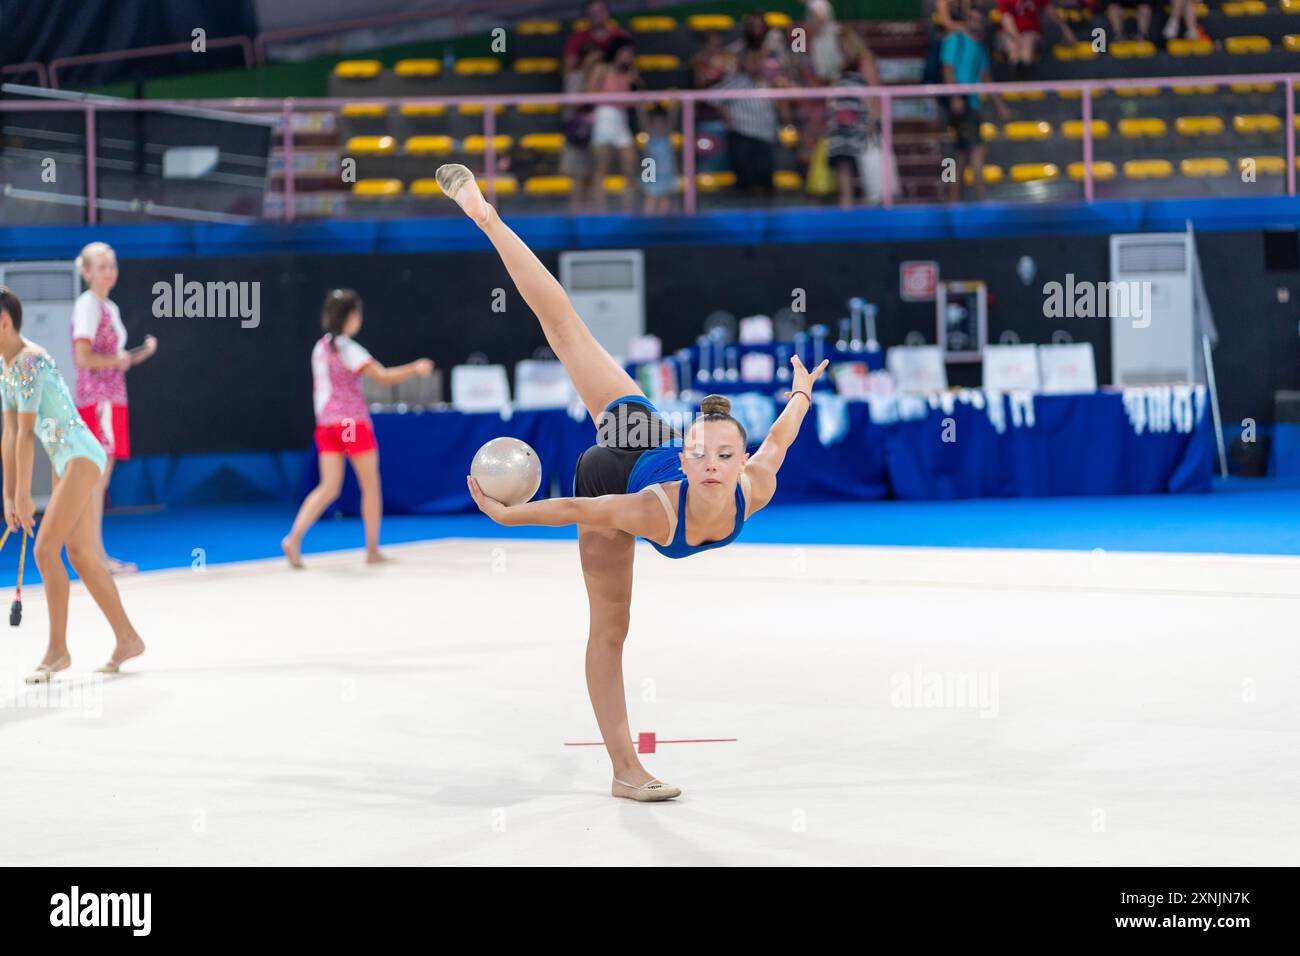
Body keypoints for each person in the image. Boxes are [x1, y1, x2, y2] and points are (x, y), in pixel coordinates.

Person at [434, 162, 829, 802]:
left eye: (722, 457)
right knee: (611, 628)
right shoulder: (654, 510)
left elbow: (779, 440)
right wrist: (509, 520)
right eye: (700, 452)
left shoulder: (753, 488)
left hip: (646, 447)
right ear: (690, 450)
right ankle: (489, 218)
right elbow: (569, 509)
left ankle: (489, 219)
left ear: (736, 465)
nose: (707, 465)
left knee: (571, 341)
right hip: (617, 464)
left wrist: (802, 392)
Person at [0, 286, 145, 682]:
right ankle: (127, 638)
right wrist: (9, 494)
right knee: (79, 554)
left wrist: (27, 495)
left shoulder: (29, 362)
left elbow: (28, 435)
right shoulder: (5, 366)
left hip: (81, 454)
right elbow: (10, 433)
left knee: (46, 549)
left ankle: (58, 651)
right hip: (67, 459)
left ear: (4, 321)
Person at [281, 289, 433, 568]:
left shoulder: (320, 347)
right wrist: (416, 368)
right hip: (351, 424)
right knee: (370, 484)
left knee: (328, 487)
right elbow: (384, 377)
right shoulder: (350, 349)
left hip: (326, 425)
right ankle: (372, 550)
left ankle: (294, 538)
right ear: (351, 316)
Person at [72, 241, 157, 575]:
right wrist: (117, 360)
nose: (110, 271)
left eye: (112, 265)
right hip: (99, 400)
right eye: (102, 265)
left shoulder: (108, 307)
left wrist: (135, 356)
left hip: (111, 397)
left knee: (100, 479)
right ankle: (93, 556)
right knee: (95, 478)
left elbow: (112, 360)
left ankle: (95, 553)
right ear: (87, 271)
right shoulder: (88, 306)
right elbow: (83, 357)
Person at [941, 10, 1010, 202]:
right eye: (973, 20)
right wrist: (955, 97)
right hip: (961, 104)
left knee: (961, 153)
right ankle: (981, 199)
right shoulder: (956, 40)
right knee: (977, 150)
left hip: (972, 104)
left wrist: (1000, 105)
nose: (977, 25)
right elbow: (948, 69)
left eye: (980, 21)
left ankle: (953, 200)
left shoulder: (979, 47)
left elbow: (986, 77)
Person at [711, 50, 788, 198]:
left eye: (757, 60)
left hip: (765, 137)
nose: (755, 64)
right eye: (751, 60)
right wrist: (728, 117)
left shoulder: (767, 83)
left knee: (766, 184)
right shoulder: (737, 82)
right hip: (743, 136)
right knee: (747, 185)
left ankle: (767, 218)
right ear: (744, 63)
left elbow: (779, 106)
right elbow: (713, 97)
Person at [587, 35, 641, 213]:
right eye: (626, 52)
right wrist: (612, 95)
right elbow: (589, 93)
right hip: (605, 117)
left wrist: (634, 84)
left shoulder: (630, 72)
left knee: (630, 165)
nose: (629, 56)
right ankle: (600, 210)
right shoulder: (602, 68)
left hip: (622, 118)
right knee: (601, 167)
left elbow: (637, 100)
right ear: (617, 52)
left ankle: (628, 209)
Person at [997, 0, 1077, 74]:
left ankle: (1025, 69)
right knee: (1012, 45)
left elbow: (1051, 12)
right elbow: (1007, 19)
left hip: (1032, 34)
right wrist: (1017, 39)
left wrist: (1066, 31)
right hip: (1010, 34)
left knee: (1028, 39)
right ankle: (1015, 72)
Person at [563, 0, 631, 77]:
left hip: (615, 76)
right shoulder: (577, 38)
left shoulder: (619, 35)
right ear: (586, 15)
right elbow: (568, 68)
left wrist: (603, 57)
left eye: (600, 11)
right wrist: (587, 63)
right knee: (573, 78)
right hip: (585, 77)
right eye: (593, 12)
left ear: (608, 13)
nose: (597, 15)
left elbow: (628, 62)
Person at [638, 102, 679, 214]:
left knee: (665, 200)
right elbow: (643, 119)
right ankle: (647, 224)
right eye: (655, 123)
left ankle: (663, 223)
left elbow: (673, 118)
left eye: (661, 123)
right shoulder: (650, 135)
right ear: (651, 125)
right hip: (651, 172)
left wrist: (673, 103)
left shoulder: (667, 134)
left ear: (665, 124)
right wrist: (640, 104)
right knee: (650, 199)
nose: (658, 126)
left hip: (666, 173)